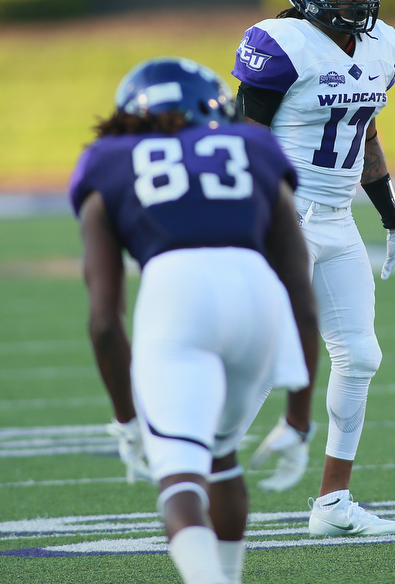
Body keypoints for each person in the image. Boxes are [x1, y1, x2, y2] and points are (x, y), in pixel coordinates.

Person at [70, 57, 321, 584]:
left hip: (174, 291)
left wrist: (127, 420)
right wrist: (299, 417)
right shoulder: (255, 148)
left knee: (180, 472)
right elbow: (300, 291)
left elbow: (103, 320)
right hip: (257, 292)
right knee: (221, 453)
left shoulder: (108, 160)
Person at [233, 0, 395, 538]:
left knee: (362, 355)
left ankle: (333, 504)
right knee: (267, 366)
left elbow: (365, 134)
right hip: (280, 219)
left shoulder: (382, 47)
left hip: (337, 219)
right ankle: (191, 475)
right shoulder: (280, 45)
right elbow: (242, 141)